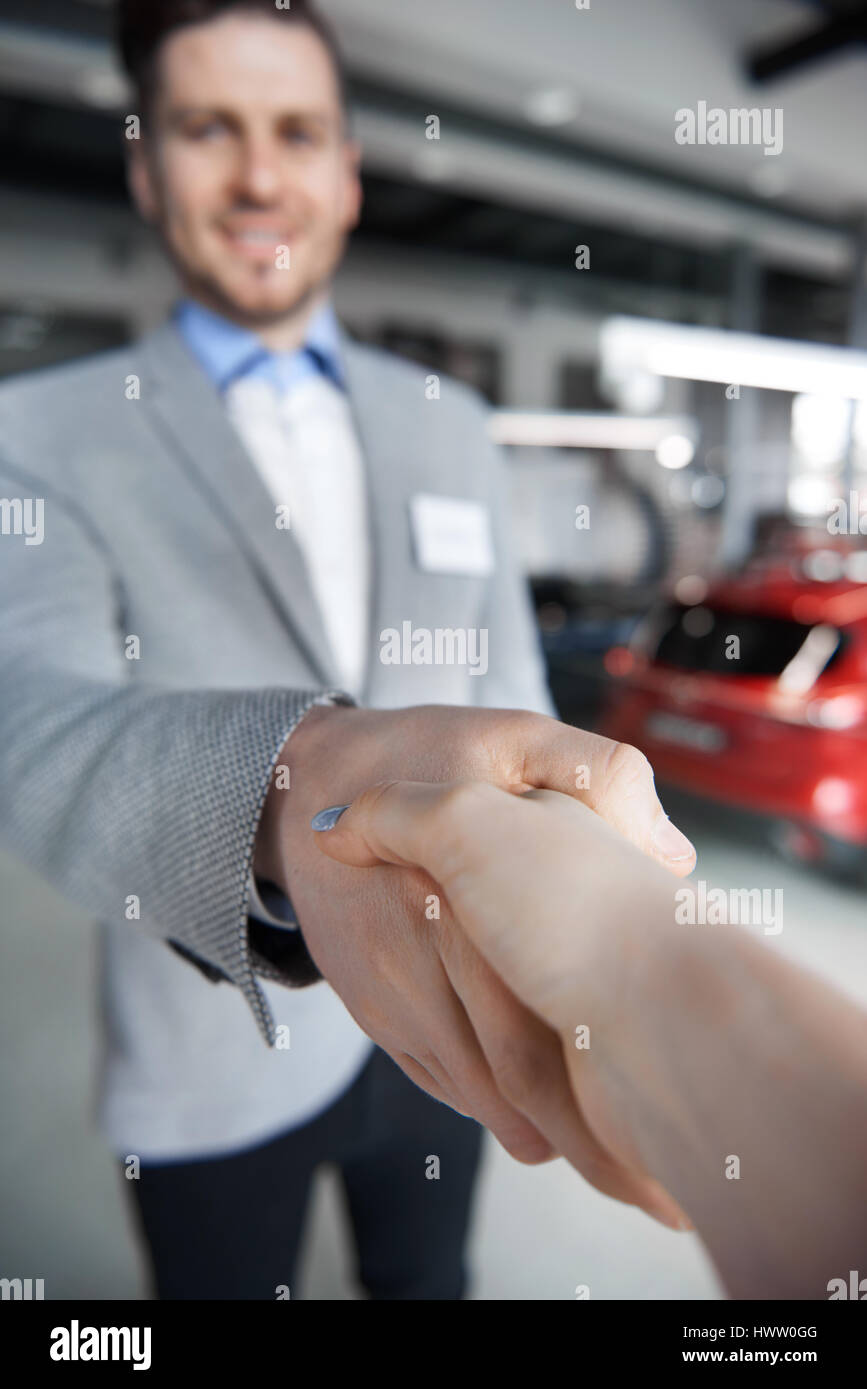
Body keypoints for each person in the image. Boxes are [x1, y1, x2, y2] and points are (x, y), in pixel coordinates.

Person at [0, 0, 696, 1299]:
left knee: (429, 1280)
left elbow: (502, 680)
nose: (260, 174)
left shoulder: (448, 423)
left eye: (296, 132)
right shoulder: (42, 431)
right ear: (147, 170)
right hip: (216, 1040)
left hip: (458, 1017)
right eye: (210, 129)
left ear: (345, 173)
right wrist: (293, 773)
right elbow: (35, 730)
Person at [315, 778, 867, 1300]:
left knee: (428, 1274)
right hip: (256, 1079)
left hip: (463, 1057)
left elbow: (505, 686)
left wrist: (506, 780)